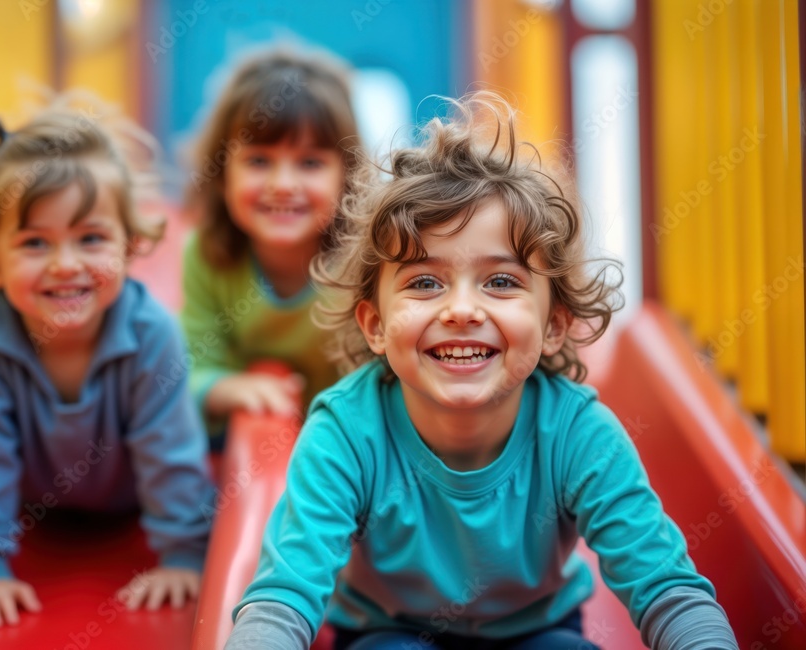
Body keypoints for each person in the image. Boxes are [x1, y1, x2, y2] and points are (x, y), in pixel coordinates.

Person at [225, 92, 738, 649]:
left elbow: (665, 587)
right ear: (375, 324)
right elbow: (284, 593)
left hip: (536, 631)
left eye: (501, 281)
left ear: (554, 324)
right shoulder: (346, 433)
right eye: (424, 282)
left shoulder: (576, 433)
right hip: (390, 630)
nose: (463, 309)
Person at [0, 98, 216, 628]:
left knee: (200, 459)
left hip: (126, 498)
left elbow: (169, 449)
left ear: (130, 246)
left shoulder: (151, 331)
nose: (66, 266)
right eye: (35, 243)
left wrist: (183, 556)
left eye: (91, 238)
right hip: (24, 497)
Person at [180, 48, 360, 440]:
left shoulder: (362, 265)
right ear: (222, 171)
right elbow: (188, 374)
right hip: (237, 450)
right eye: (259, 161)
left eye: (310, 163)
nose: (282, 185)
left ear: (347, 175)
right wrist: (227, 388)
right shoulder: (207, 253)